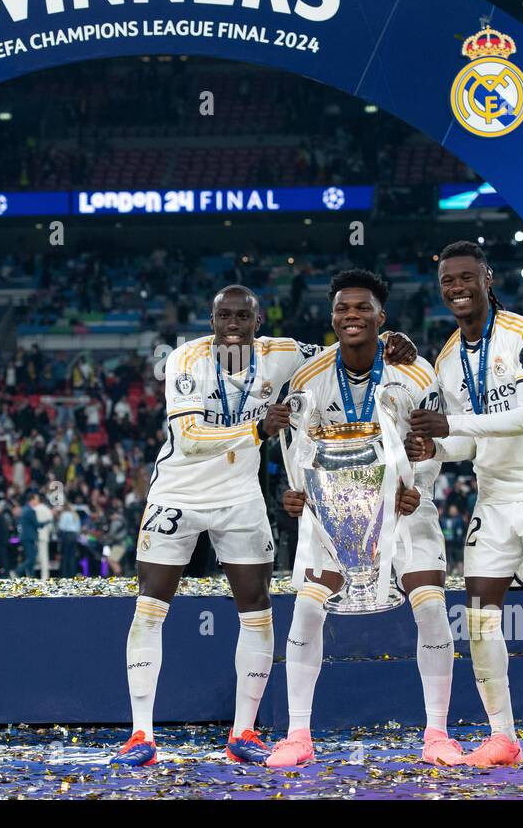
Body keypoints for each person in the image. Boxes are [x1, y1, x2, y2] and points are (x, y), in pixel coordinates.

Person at [112, 283, 418, 767]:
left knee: (256, 607)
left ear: (259, 323)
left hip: (240, 496)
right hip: (178, 491)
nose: (232, 327)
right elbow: (190, 438)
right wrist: (257, 429)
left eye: (242, 318)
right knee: (151, 605)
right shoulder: (185, 361)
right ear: (211, 322)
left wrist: (392, 341)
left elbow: (347, 346)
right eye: (223, 318)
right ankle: (140, 734)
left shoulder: (285, 355)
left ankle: (244, 732)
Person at [265, 269, 461, 768]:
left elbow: (431, 444)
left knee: (432, 607)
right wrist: (297, 494)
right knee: (307, 610)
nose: (351, 316)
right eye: (342, 309)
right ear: (332, 317)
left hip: (402, 505)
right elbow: (298, 447)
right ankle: (298, 735)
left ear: (381, 316)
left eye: (361, 308)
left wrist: (419, 484)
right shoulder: (309, 376)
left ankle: (436, 733)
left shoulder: (414, 371)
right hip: (333, 512)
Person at [409, 240, 523, 770]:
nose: (457, 288)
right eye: (447, 281)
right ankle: (503, 736)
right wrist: (435, 446)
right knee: (481, 615)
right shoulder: (446, 359)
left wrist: (452, 426)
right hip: (496, 496)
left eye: (466, 277)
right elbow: (467, 444)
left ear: (487, 279)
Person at [17, 496, 40, 577]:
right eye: (37, 500)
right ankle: (18, 570)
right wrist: (48, 521)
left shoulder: (25, 509)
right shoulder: (30, 511)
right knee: (31, 558)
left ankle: (31, 575)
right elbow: (37, 524)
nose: (38, 502)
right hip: (29, 537)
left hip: (25, 537)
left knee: (30, 558)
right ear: (32, 500)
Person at [57, 504, 80, 577]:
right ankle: (72, 573)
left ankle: (64, 574)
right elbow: (78, 528)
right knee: (72, 556)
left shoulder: (65, 514)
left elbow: (61, 526)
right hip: (74, 536)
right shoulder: (75, 515)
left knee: (65, 555)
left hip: (67, 536)